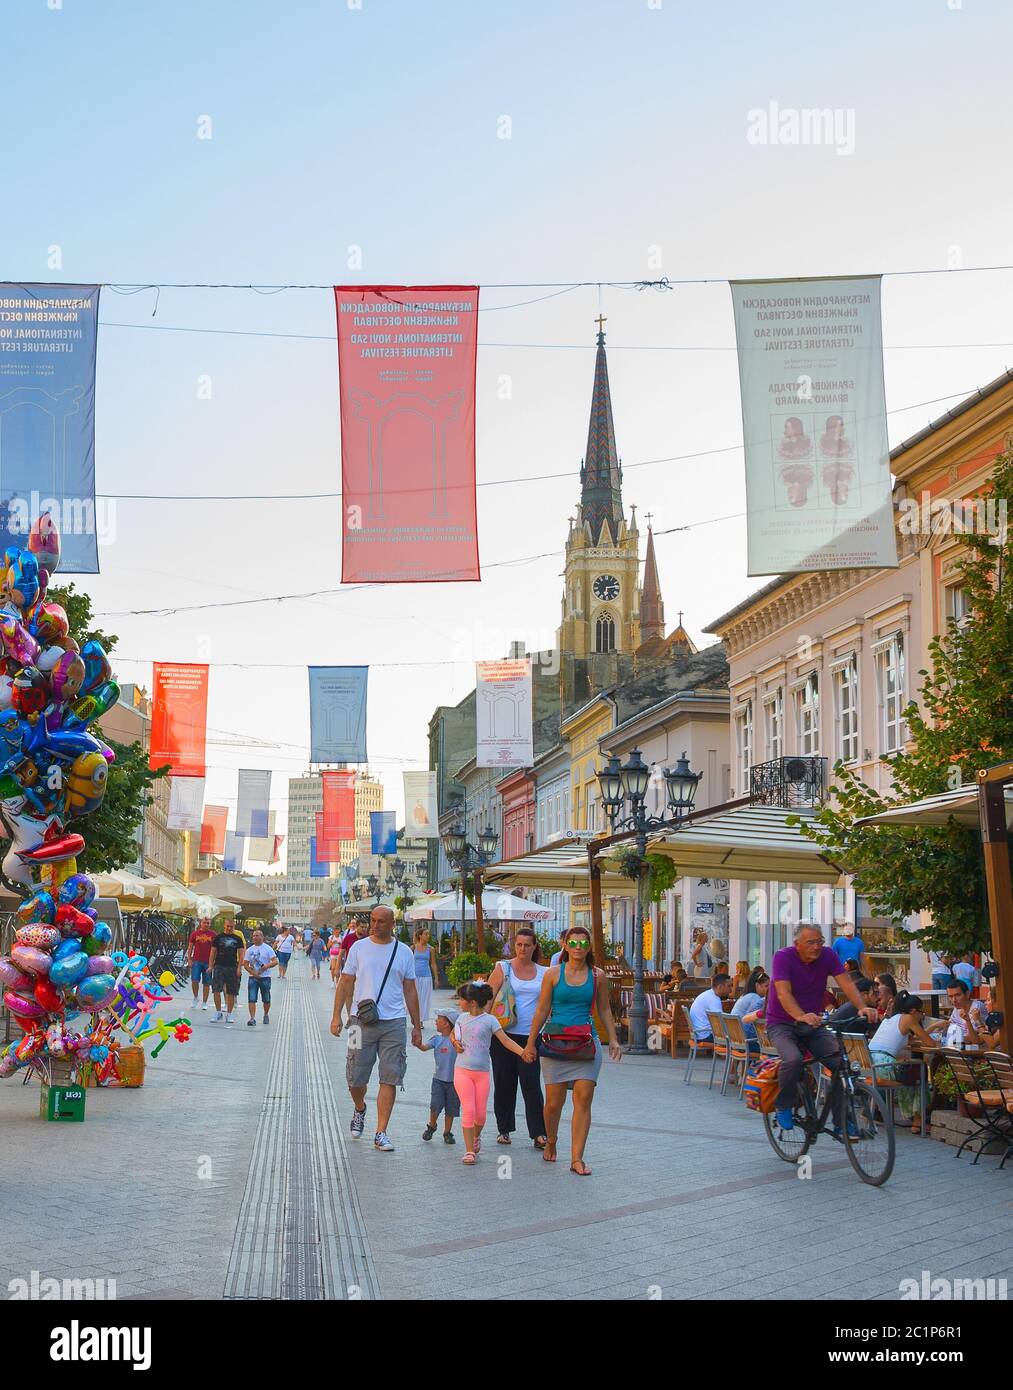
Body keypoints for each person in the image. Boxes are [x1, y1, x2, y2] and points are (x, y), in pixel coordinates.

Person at [523, 924, 622, 1175]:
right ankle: (552, 1141)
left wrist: (614, 1039)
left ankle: (577, 1158)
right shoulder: (553, 974)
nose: (578, 947)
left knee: (583, 1099)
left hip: (586, 1045)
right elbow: (542, 1010)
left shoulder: (598, 975)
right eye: (573, 942)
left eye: (583, 943)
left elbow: (605, 1009)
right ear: (565, 945)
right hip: (554, 1043)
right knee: (553, 1104)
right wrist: (530, 1043)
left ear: (589, 947)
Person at [330, 905, 422, 1152]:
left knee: (390, 1076)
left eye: (381, 921)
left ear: (393, 924)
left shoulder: (404, 952)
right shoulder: (359, 948)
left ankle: (381, 1131)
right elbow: (346, 981)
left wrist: (417, 1025)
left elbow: (410, 989)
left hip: (394, 1023)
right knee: (354, 1076)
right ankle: (360, 1108)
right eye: (372, 920)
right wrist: (336, 1016)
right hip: (359, 1021)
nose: (375, 925)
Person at [766, 923, 869, 1132]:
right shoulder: (783, 957)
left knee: (841, 1065)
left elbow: (847, 984)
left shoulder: (828, 956)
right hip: (782, 1023)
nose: (816, 946)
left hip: (813, 1024)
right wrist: (801, 1015)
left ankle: (842, 1122)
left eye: (820, 941)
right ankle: (784, 1105)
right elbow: (783, 993)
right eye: (810, 942)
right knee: (793, 1059)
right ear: (797, 944)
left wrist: (863, 1007)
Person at [451, 983, 528, 1164]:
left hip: (482, 1073)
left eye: (462, 999)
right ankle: (470, 1150)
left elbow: (506, 1040)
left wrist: (522, 1052)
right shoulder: (461, 1018)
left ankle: (476, 1137)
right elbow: (454, 1036)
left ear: (473, 1002)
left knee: (481, 1115)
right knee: (468, 1109)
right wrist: (455, 1043)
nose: (459, 1002)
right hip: (462, 1071)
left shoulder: (490, 1020)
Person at [486, 926, 548, 1149]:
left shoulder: (544, 972)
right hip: (503, 1035)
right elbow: (488, 998)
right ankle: (504, 1129)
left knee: (531, 1084)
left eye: (527, 945)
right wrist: (482, 1027)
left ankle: (539, 1133)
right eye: (519, 945)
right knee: (504, 1083)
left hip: (531, 1036)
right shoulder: (503, 968)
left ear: (534, 947)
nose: (522, 949)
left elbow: (547, 1003)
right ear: (515, 946)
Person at [869, 991, 940, 1132]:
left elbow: (909, 1040)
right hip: (884, 1067)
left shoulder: (889, 1019)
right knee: (919, 1072)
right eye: (921, 1012)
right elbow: (930, 1043)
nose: (922, 1016)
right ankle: (918, 1121)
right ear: (914, 1011)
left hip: (870, 1065)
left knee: (911, 1069)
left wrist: (932, 1028)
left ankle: (915, 1119)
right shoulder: (908, 1018)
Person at [416, 1007, 460, 1144]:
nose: (436, 1021)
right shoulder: (436, 1039)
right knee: (435, 1104)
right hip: (438, 1080)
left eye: (439, 1019)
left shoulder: (458, 1041)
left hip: (455, 1081)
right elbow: (424, 1047)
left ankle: (447, 1132)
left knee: (451, 1108)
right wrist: (418, 1044)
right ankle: (432, 1125)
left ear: (447, 1023)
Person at [209, 922, 246, 1024]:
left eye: (231, 927)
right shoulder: (218, 937)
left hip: (232, 966)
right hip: (219, 966)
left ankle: (229, 1014)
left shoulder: (237, 939)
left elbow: (241, 954)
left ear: (234, 927)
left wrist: (239, 967)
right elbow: (213, 952)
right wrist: (210, 965)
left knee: (231, 991)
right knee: (216, 989)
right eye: (228, 926)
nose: (229, 928)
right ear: (224, 926)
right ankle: (218, 1012)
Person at [941, 978, 992, 1049]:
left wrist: (953, 1038)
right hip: (962, 1047)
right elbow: (950, 1027)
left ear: (967, 994)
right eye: (950, 996)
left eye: (957, 995)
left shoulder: (977, 1007)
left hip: (978, 1050)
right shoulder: (957, 1008)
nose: (954, 1000)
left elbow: (973, 1039)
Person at [243, 928, 278, 1027]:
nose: (254, 937)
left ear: (262, 937)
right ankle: (252, 1018)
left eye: (257, 935)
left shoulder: (267, 948)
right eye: (253, 936)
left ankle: (266, 1014)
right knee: (252, 998)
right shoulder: (249, 950)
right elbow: (245, 964)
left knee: (266, 999)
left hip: (265, 977)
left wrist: (266, 966)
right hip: (253, 977)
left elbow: (275, 961)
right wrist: (253, 973)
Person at [688, 972, 733, 1042]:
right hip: (705, 1035)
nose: (731, 990)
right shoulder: (714, 999)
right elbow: (720, 1022)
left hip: (698, 1033)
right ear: (720, 987)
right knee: (737, 1039)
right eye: (729, 986)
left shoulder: (707, 994)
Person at [731, 967, 769, 1049]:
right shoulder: (755, 998)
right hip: (746, 1041)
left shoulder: (745, 996)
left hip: (736, 1038)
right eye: (766, 986)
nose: (768, 989)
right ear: (757, 985)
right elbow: (752, 1024)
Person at [186, 916, 217, 1011]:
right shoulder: (195, 934)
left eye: (208, 923)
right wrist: (189, 959)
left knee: (207, 983)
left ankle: (204, 1002)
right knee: (194, 980)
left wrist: (214, 961)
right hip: (196, 960)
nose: (206, 924)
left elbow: (216, 949)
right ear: (201, 923)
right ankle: (196, 997)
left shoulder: (213, 935)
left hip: (208, 962)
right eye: (205, 922)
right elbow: (190, 947)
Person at [412, 926, 438, 1025]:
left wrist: (436, 978)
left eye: (428, 934)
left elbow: (433, 963)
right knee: (415, 998)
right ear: (420, 936)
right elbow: (409, 963)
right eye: (426, 934)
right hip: (414, 977)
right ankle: (415, 1017)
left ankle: (420, 1020)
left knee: (424, 999)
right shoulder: (413, 947)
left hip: (426, 976)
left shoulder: (431, 949)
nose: (428, 936)